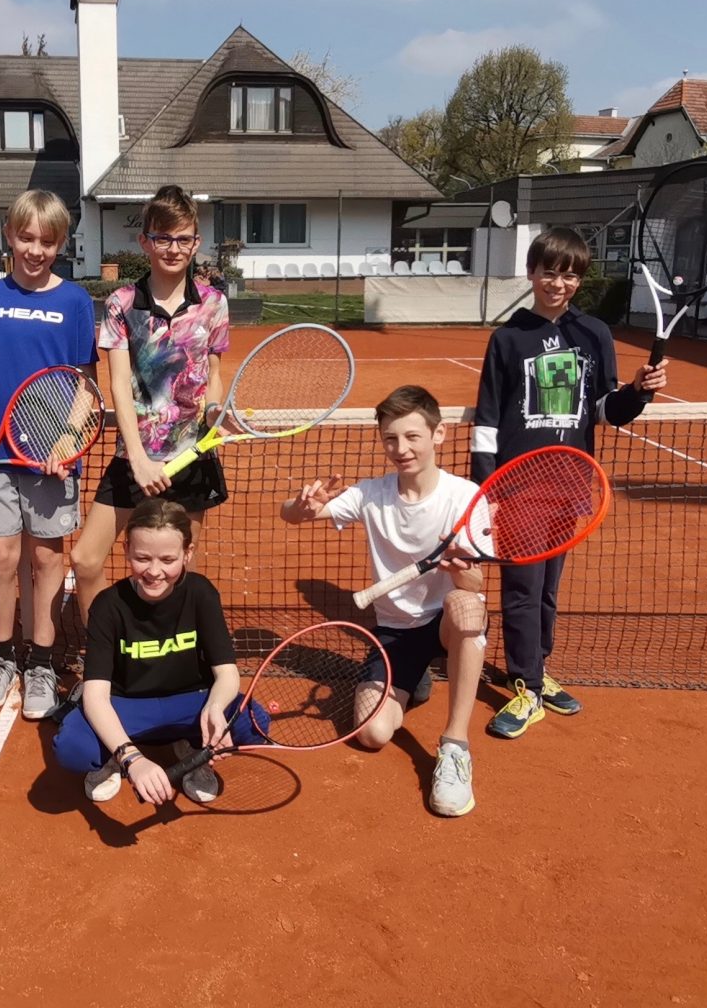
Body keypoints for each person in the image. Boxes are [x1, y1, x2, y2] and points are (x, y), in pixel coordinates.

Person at [471, 226, 668, 739]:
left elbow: (605, 410)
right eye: (549, 272)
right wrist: (484, 491)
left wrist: (638, 391)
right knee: (522, 588)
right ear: (532, 272)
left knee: (547, 590)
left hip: (570, 481)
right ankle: (527, 687)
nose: (558, 283)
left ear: (579, 280)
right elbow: (487, 420)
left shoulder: (594, 334)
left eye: (570, 275)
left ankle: (537, 668)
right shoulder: (508, 338)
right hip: (517, 485)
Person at [280, 385, 488, 817]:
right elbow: (291, 515)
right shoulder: (371, 494)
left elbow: (474, 582)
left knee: (466, 605)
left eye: (412, 436)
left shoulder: (466, 496)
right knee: (373, 734)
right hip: (396, 629)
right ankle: (416, 680)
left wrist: (460, 567)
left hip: (446, 621)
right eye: (391, 438)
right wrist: (302, 507)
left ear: (438, 434)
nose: (401, 449)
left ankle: (455, 746)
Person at [0, 190, 99, 720]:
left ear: (61, 244)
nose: (35, 250)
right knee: (3, 558)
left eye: (47, 242)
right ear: (9, 235)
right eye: (26, 238)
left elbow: (84, 383)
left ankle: (42, 663)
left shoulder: (75, 302)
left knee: (47, 559)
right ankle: (4, 658)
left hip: (54, 456)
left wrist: (67, 441)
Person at [70, 185, 229, 628]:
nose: (173, 248)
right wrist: (138, 458)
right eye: (163, 238)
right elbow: (119, 385)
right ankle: (102, 652)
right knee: (85, 560)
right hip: (135, 460)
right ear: (146, 241)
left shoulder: (213, 304)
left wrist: (214, 412)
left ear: (196, 242)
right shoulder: (121, 304)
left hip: (191, 459)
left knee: (179, 573)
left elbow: (214, 375)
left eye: (183, 239)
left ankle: (169, 655)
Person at [54, 498, 266, 805]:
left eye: (168, 559)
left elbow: (227, 674)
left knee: (253, 723)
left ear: (187, 553)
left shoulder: (201, 593)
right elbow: (96, 696)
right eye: (142, 558)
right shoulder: (108, 606)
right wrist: (132, 758)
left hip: (191, 702)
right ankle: (114, 754)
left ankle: (193, 749)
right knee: (73, 748)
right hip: (128, 705)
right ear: (126, 549)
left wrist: (215, 707)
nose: (154, 571)